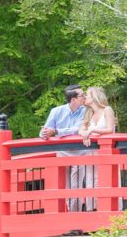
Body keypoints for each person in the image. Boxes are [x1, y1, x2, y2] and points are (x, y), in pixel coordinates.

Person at [39, 85, 87, 213]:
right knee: (65, 186)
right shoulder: (56, 111)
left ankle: (74, 219)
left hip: (79, 153)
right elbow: (45, 131)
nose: (85, 98)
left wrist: (57, 131)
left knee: (75, 186)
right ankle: (69, 218)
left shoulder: (85, 111)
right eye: (82, 95)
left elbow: (78, 129)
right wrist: (45, 133)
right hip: (62, 153)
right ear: (73, 99)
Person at [78, 87, 118, 210]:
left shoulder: (107, 110)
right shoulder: (88, 112)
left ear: (95, 97)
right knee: (90, 178)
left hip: (105, 151)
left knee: (103, 178)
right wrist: (84, 133)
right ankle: (92, 209)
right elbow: (81, 129)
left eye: (88, 95)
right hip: (91, 151)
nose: (85, 98)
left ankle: (105, 208)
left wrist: (92, 130)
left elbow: (109, 129)